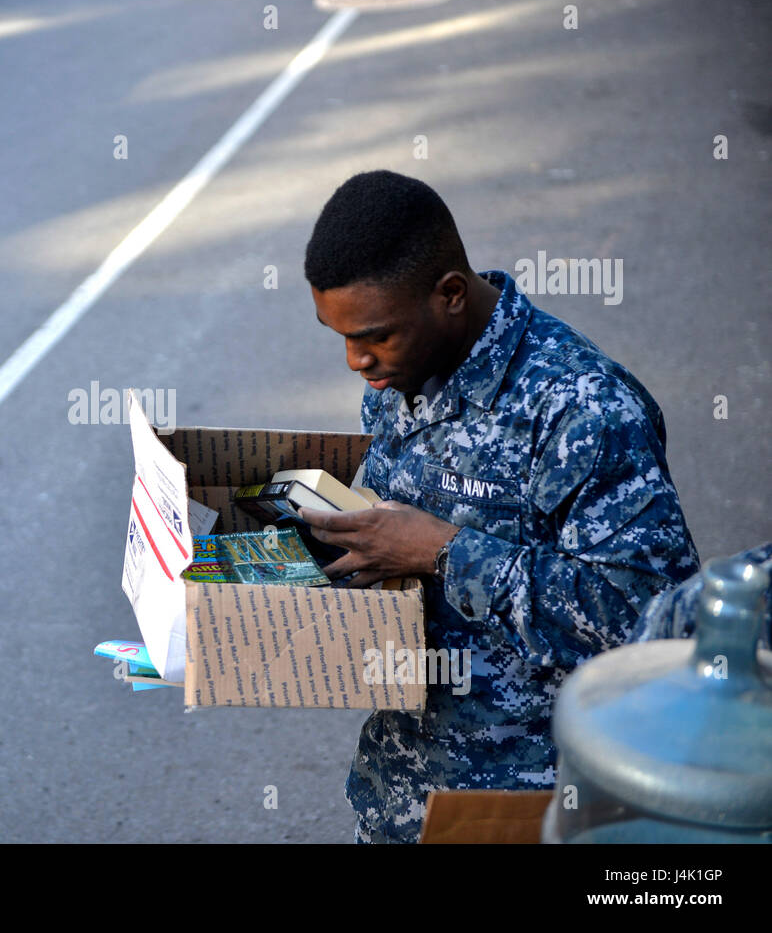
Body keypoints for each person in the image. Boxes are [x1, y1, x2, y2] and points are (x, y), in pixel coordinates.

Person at [299, 170, 700, 843]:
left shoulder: (582, 408)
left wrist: (445, 552)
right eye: (336, 334)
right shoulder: (398, 372)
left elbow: (655, 623)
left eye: (374, 336)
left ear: (450, 295)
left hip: (531, 809)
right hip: (404, 790)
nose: (353, 360)